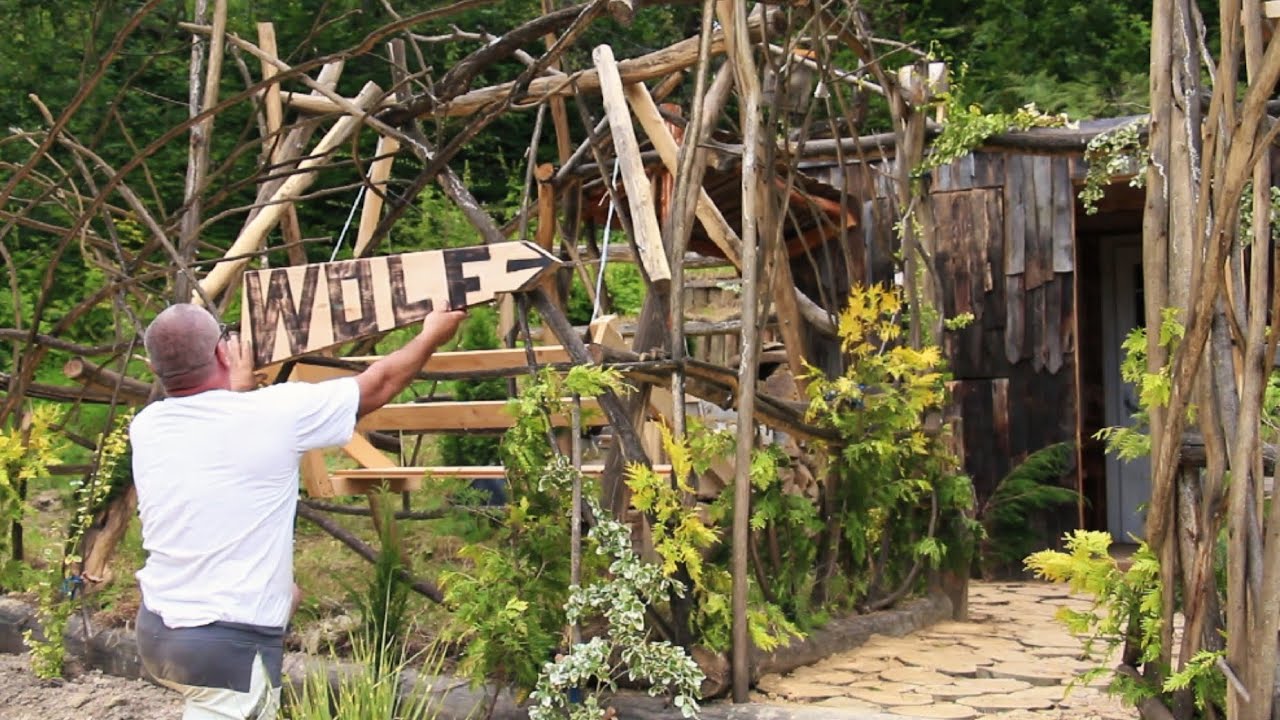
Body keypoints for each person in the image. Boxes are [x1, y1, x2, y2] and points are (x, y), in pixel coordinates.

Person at [130, 302, 466, 719]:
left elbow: (223, 432)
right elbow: (377, 385)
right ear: (222, 354)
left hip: (158, 632)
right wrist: (431, 334)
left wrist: (240, 390)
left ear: (151, 367)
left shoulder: (146, 426)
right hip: (226, 645)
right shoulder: (276, 413)